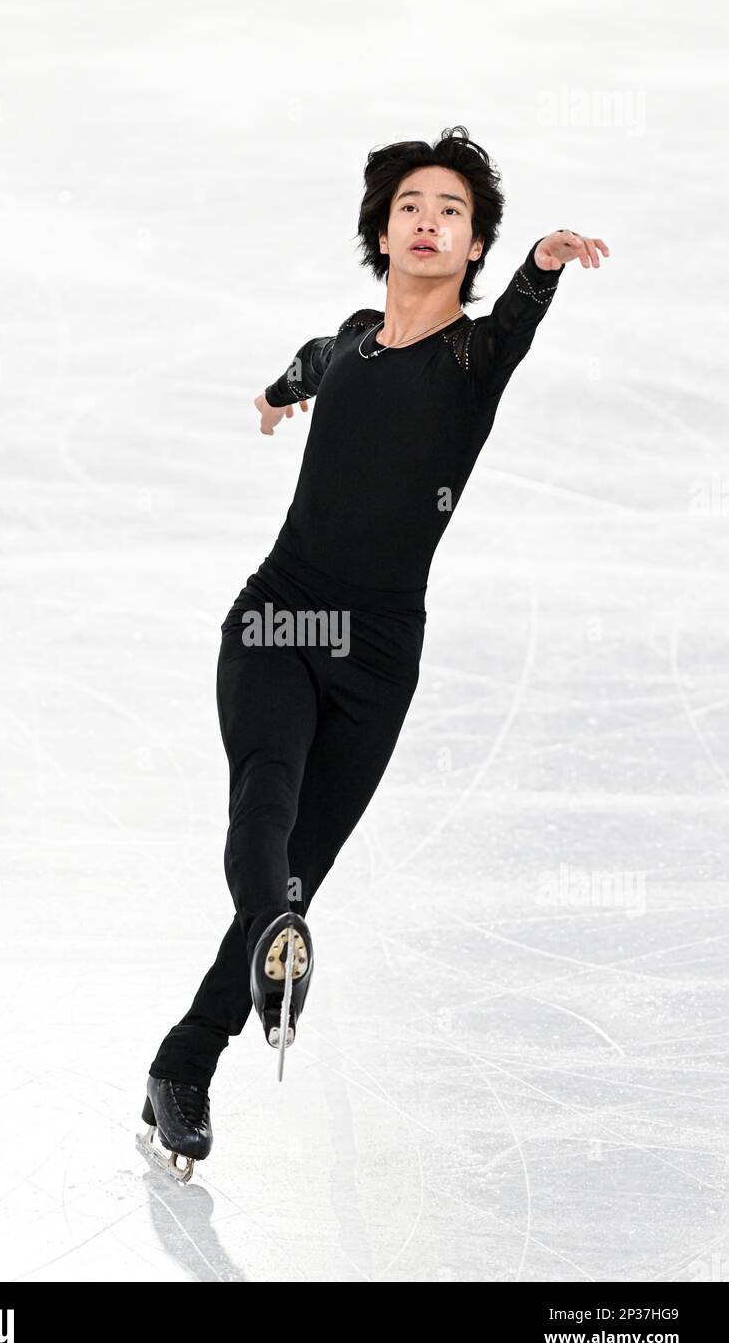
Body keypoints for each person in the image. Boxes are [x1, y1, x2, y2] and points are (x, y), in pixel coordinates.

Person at [138, 125, 609, 1180]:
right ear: (383, 230)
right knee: (264, 800)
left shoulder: (472, 356)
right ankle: (273, 940)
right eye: (410, 205)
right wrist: (275, 394)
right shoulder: (351, 339)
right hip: (280, 621)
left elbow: (522, 315)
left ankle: (183, 1059)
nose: (428, 219)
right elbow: (313, 364)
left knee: (299, 864)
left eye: (450, 209)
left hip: (377, 653)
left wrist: (540, 265)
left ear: (473, 242)